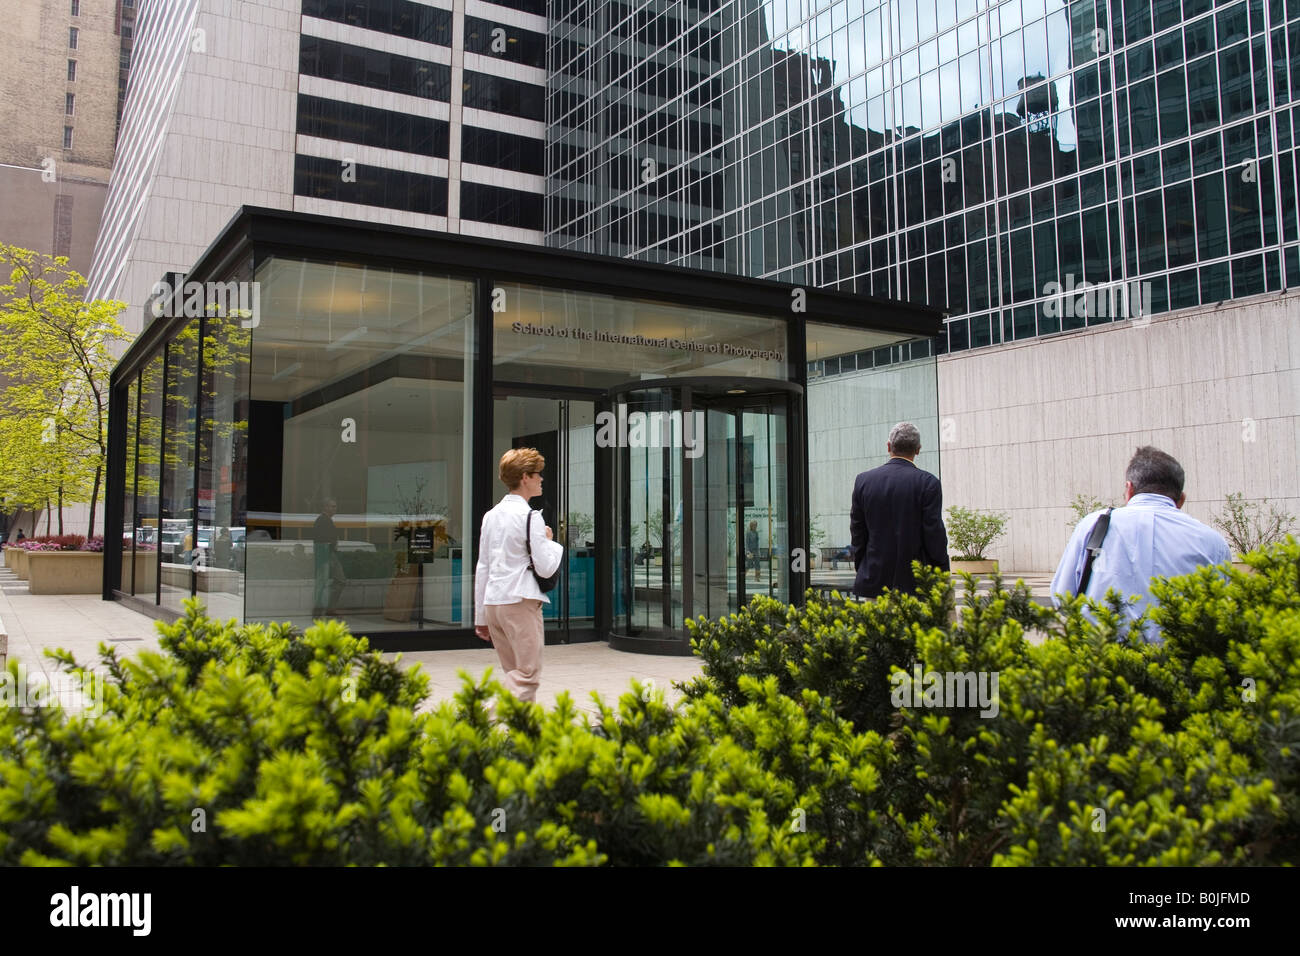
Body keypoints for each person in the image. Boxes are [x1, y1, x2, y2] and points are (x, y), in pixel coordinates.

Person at [1051, 445, 1231, 643]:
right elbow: (1219, 616)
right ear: (1181, 499)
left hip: (1101, 660)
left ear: (1129, 488)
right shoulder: (1213, 542)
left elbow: (1063, 598)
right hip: (1181, 664)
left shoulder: (1094, 524)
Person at [475, 448, 564, 703]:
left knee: (514, 674)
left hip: (494, 603)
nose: (541, 479)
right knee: (527, 675)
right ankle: (478, 718)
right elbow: (546, 567)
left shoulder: (490, 516)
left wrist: (481, 616)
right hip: (520, 601)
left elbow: (483, 566)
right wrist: (550, 541)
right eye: (538, 475)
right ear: (525, 477)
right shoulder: (530, 517)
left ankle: (520, 735)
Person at [849, 421, 949, 599]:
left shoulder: (863, 481)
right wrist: (941, 572)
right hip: (916, 583)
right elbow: (934, 534)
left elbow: (858, 532)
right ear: (918, 449)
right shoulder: (928, 483)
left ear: (889, 446)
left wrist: (863, 566)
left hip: (874, 578)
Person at [312, 498, 346, 617]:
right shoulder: (322, 521)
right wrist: (330, 550)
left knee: (336, 580)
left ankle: (327, 608)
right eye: (332, 506)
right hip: (327, 555)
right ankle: (321, 608)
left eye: (335, 506)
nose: (335, 509)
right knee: (323, 581)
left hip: (329, 554)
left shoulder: (326, 520)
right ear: (325, 507)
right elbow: (320, 540)